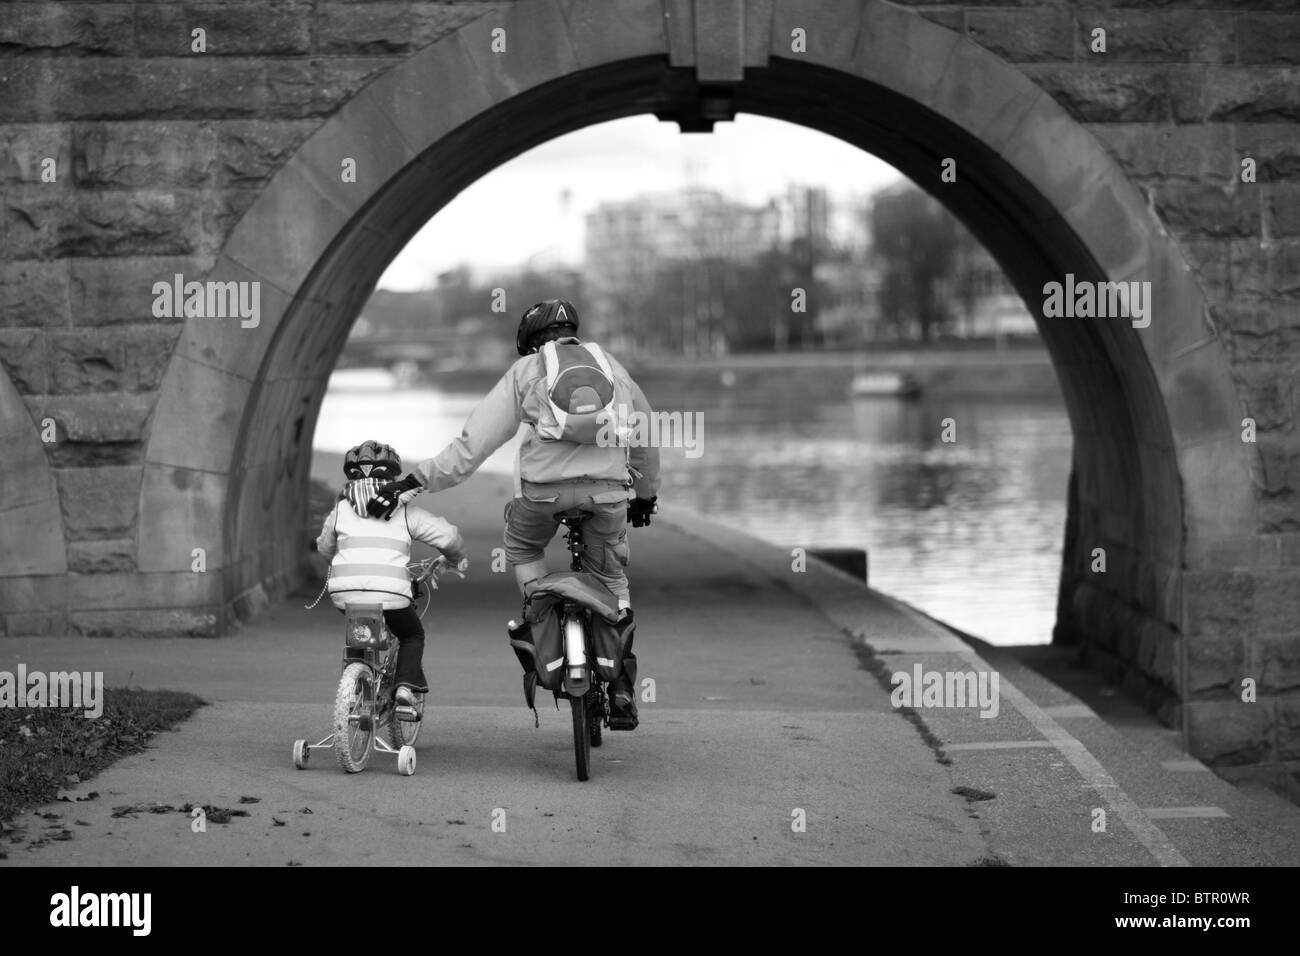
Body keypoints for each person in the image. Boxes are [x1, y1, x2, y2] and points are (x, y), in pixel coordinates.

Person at [368, 299, 660, 729]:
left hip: (541, 497)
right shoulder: (611, 366)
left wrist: (411, 483)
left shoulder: (526, 372)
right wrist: (645, 494)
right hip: (607, 495)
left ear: (529, 341)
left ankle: (541, 619)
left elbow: (472, 448)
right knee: (612, 577)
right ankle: (620, 684)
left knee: (523, 549)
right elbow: (646, 432)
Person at [316, 440, 469, 719]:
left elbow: (325, 547)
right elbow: (449, 538)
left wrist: (345, 565)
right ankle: (404, 690)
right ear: (393, 476)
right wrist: (454, 559)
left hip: (344, 593)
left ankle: (355, 683)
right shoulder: (405, 510)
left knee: (360, 638)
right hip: (392, 595)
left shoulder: (340, 509)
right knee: (412, 634)